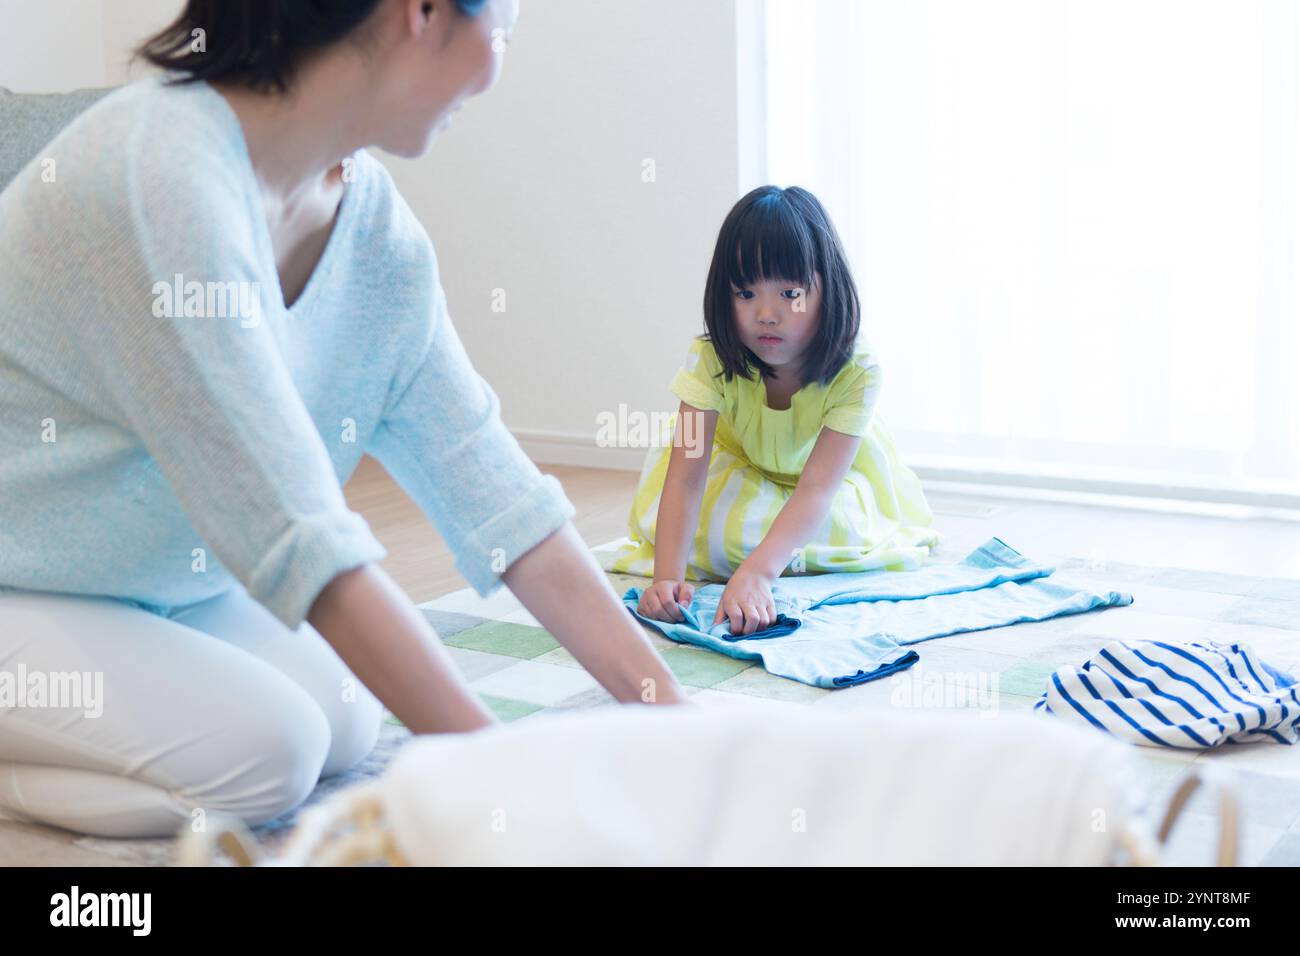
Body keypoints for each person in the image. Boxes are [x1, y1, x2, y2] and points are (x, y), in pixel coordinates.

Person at [0, 0, 685, 839]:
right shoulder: (160, 178)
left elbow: (500, 498)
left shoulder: (373, 228)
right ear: (421, 11)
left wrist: (673, 715)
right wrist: (516, 806)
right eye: (503, 28)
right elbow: (306, 544)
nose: (500, 64)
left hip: (138, 581)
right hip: (20, 579)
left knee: (350, 716)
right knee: (270, 756)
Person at [604, 185, 942, 635]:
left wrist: (758, 574)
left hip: (822, 481)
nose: (766, 313)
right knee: (724, 532)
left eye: (790, 293)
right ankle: (756, 554)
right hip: (738, 466)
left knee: (838, 535)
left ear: (828, 289)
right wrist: (668, 578)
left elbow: (817, 491)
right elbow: (686, 476)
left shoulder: (858, 368)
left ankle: (764, 559)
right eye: (745, 293)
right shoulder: (709, 359)